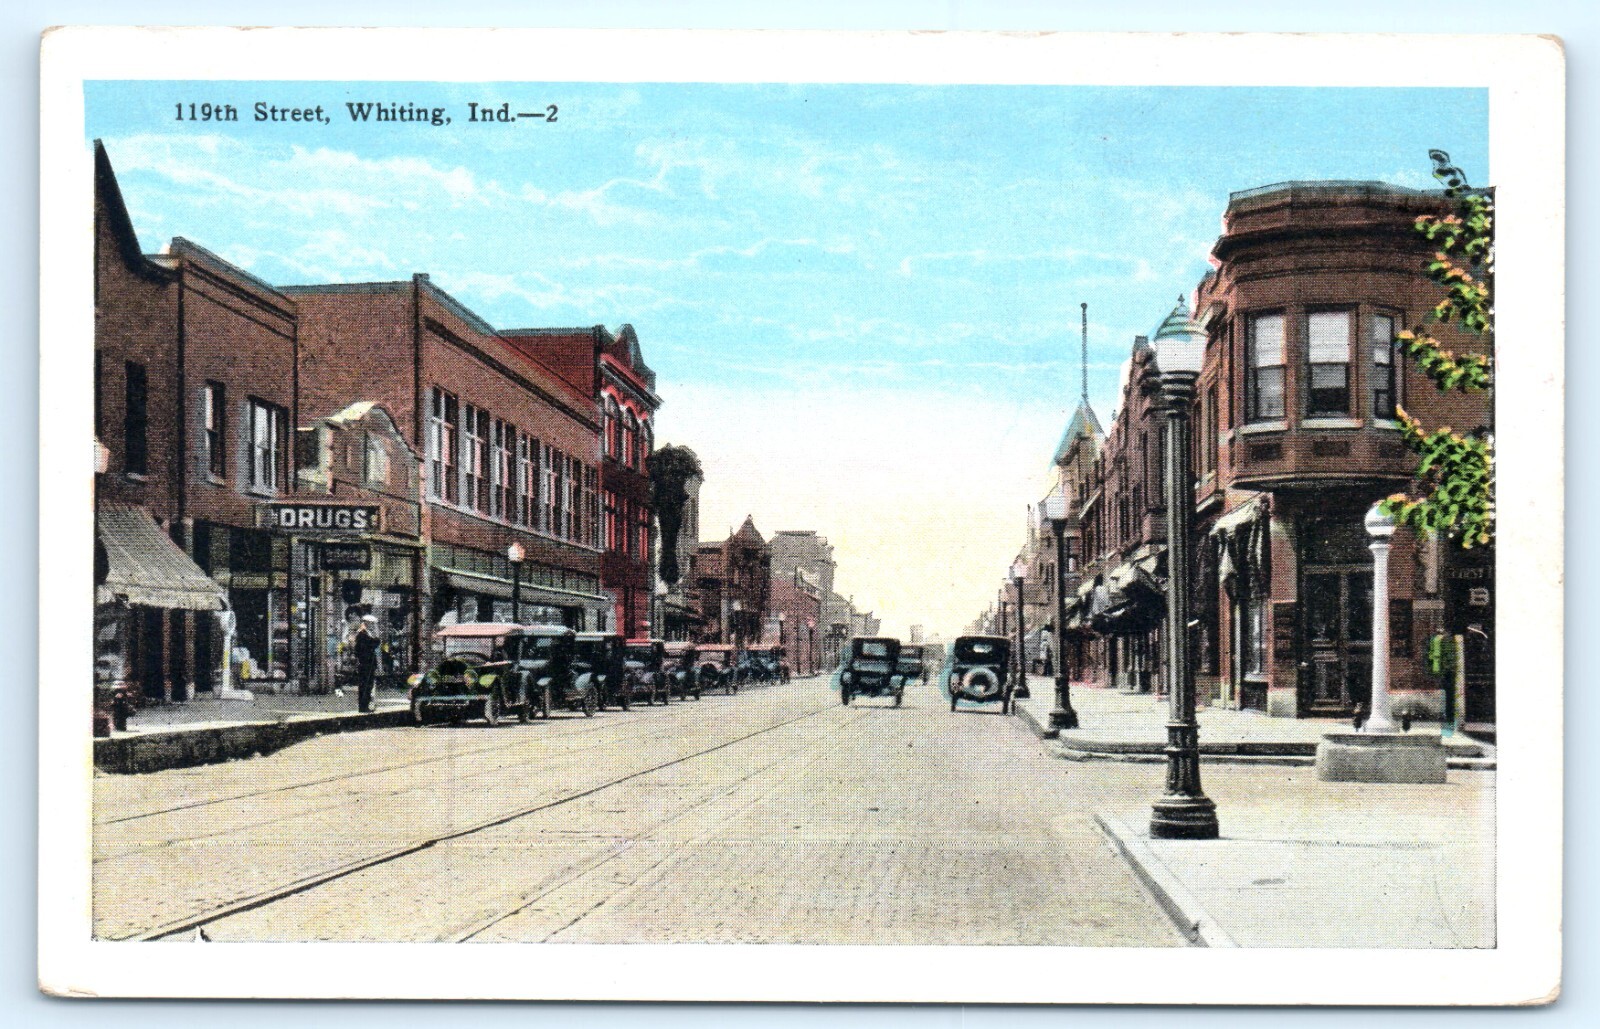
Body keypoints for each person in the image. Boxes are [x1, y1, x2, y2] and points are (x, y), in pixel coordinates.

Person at [352, 616, 381, 713]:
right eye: (368, 623)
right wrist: (376, 634)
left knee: (367, 685)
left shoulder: (365, 634)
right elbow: (376, 642)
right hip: (366, 664)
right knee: (366, 686)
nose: (369, 625)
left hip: (367, 664)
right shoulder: (362, 635)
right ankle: (364, 706)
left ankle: (365, 706)